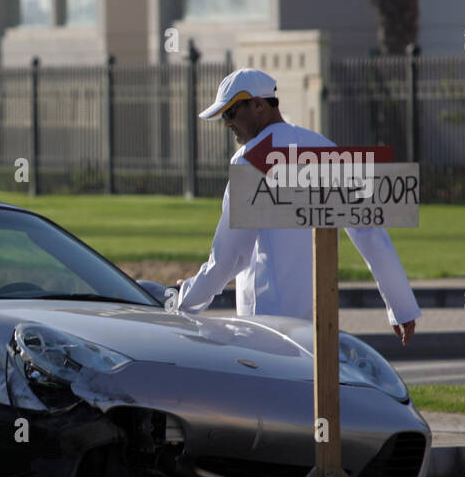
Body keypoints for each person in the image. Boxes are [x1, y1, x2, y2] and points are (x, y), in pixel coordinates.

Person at [174, 67, 419, 345]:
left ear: (258, 105)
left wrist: (184, 302)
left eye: (230, 113)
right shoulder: (325, 148)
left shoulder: (248, 161)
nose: (228, 124)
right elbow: (369, 232)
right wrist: (401, 307)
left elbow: (230, 257)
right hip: (318, 324)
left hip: (265, 326)